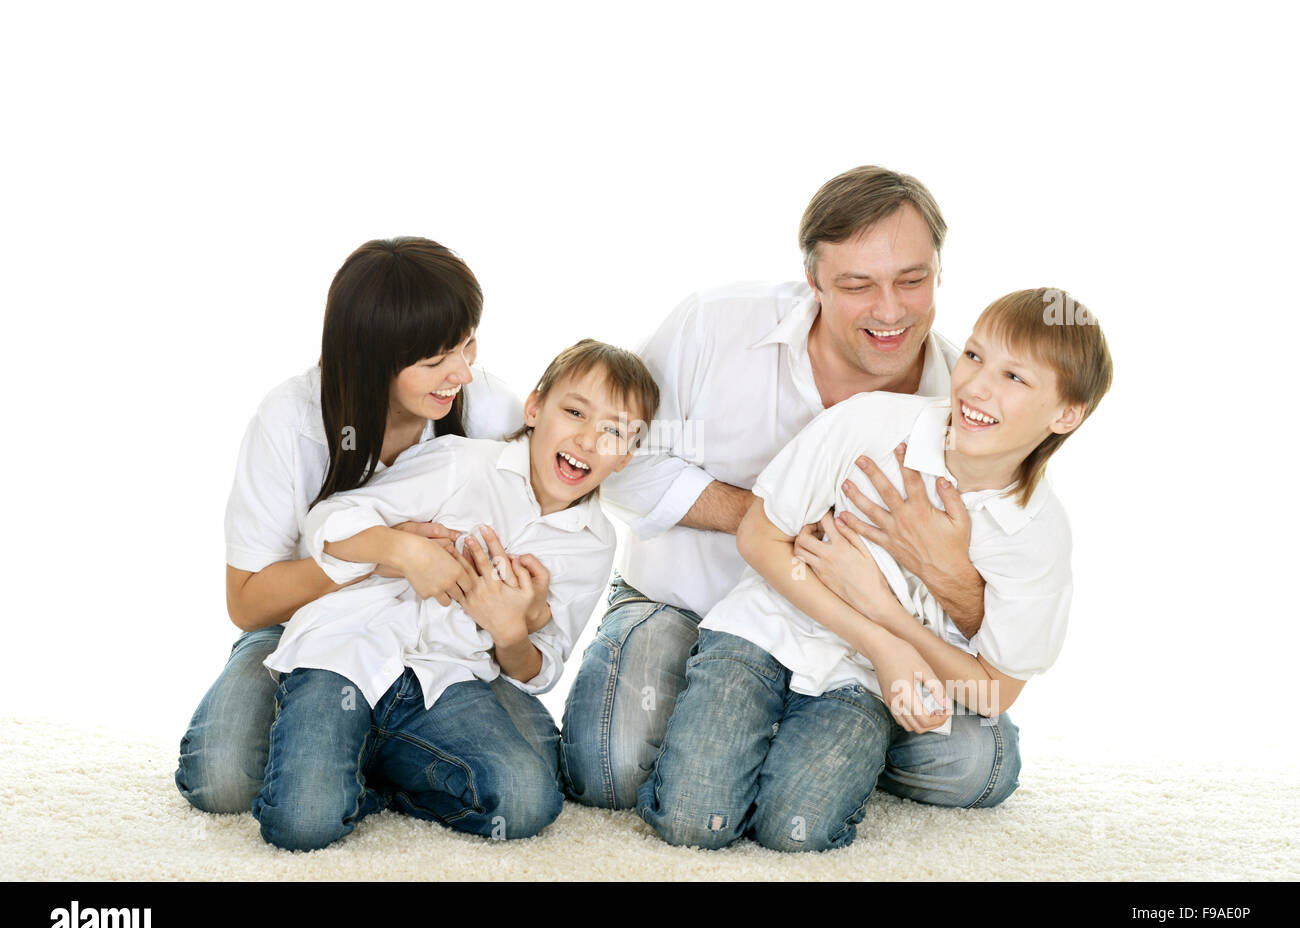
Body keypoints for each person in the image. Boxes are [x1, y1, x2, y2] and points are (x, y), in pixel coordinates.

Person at [561, 165, 1000, 810]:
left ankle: (794, 742)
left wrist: (937, 578)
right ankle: (771, 742)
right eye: (857, 284)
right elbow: (619, 460)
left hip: (861, 642)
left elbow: (993, 604)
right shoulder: (716, 324)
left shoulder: (969, 400)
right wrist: (778, 522)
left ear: (940, 270)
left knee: (972, 770)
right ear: (813, 279)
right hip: (687, 605)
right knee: (612, 772)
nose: (889, 311)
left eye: (913, 280)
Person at [637, 288, 1113, 851]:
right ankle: (733, 747)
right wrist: (883, 642)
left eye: (1015, 378)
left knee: (796, 832)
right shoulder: (871, 425)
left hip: (863, 681)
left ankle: (805, 756)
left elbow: (992, 694)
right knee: (694, 821)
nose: (977, 385)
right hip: (763, 631)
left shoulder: (1037, 536)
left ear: (1066, 414)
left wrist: (892, 625)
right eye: (976, 356)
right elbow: (760, 535)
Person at [175, 237, 541, 815]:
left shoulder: (486, 406)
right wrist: (388, 554)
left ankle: (356, 747)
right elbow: (248, 604)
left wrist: (527, 606)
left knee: (528, 785)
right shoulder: (289, 422)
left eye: (469, 344)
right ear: (372, 360)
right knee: (222, 782)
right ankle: (347, 747)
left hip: (434, 638)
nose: (463, 372)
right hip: (306, 632)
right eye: (435, 362)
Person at [252, 340, 660, 850]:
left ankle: (378, 771)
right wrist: (404, 550)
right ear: (534, 409)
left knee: (525, 801)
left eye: (614, 432)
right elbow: (329, 522)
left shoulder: (596, 543)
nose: (587, 438)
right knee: (302, 824)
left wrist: (510, 630)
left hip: (446, 682)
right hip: (348, 653)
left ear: (626, 456)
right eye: (574, 411)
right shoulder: (462, 463)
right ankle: (333, 757)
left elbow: (542, 667)